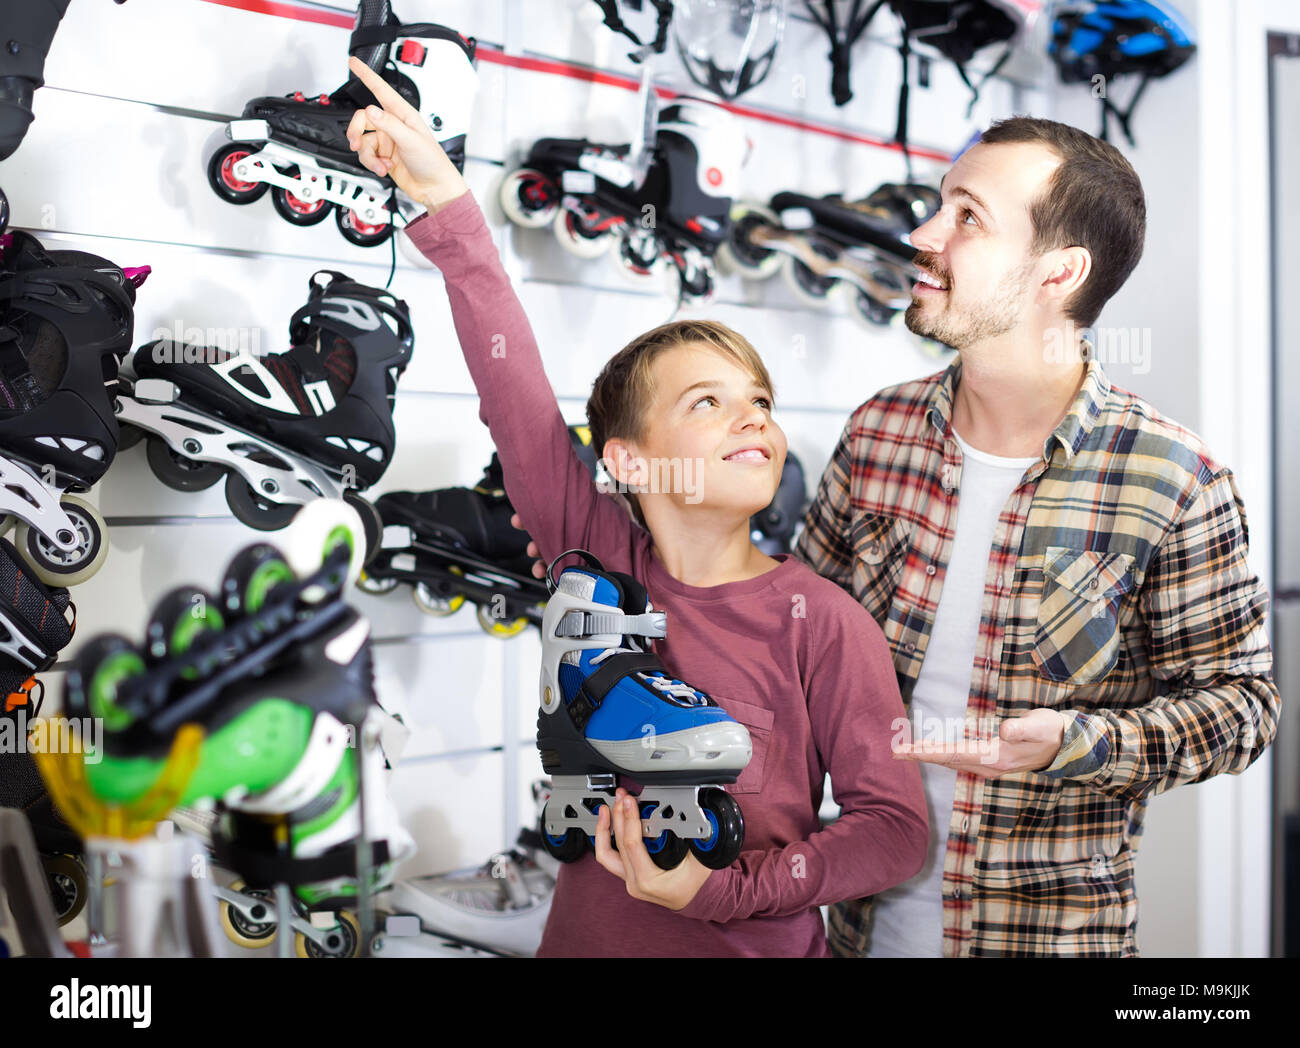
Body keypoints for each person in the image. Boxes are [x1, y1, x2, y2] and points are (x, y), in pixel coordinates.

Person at [342, 57, 927, 957]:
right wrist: (447, 202)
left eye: (761, 403)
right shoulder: (598, 560)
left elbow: (895, 828)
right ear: (626, 461)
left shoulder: (825, 622)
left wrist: (726, 890)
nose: (753, 419)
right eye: (709, 403)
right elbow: (518, 398)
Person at [795, 116, 1281, 957]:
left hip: (1046, 940)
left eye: (967, 216)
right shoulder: (878, 432)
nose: (922, 235)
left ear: (1059, 271)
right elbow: (790, 633)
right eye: (939, 204)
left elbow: (1243, 710)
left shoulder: (1172, 477)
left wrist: (1077, 743)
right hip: (854, 929)